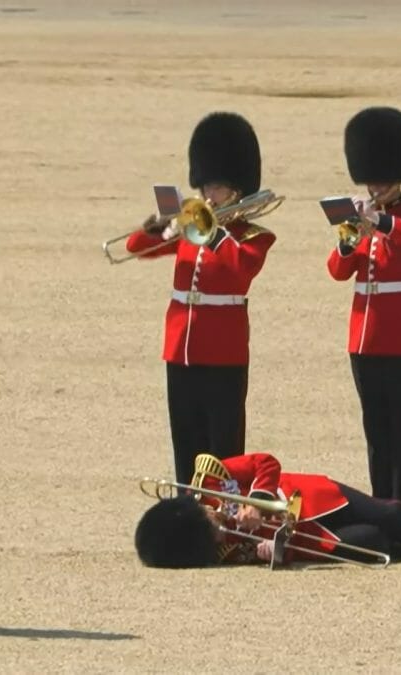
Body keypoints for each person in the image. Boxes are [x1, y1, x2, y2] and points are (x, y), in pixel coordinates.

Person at [124, 112, 277, 485]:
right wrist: (158, 225)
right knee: (186, 445)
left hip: (223, 354)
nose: (209, 196)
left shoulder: (253, 236)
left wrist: (211, 232)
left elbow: (239, 269)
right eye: (206, 187)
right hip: (180, 350)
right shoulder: (189, 228)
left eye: (218, 189)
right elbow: (135, 248)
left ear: (237, 192)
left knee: (223, 453)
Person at [326, 107, 401, 505]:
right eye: (371, 178)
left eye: (382, 178)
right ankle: (380, 500)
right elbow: (339, 272)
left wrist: (382, 222)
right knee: (375, 423)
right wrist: (348, 239)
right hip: (365, 334)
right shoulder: (361, 220)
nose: (376, 185)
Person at [134, 453, 401, 567]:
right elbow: (274, 553)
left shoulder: (210, 479)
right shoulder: (223, 550)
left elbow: (264, 462)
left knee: (389, 513)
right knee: (376, 543)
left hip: (312, 496)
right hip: (310, 535)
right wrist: (274, 551)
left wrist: (259, 502)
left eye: (211, 525)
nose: (220, 530)